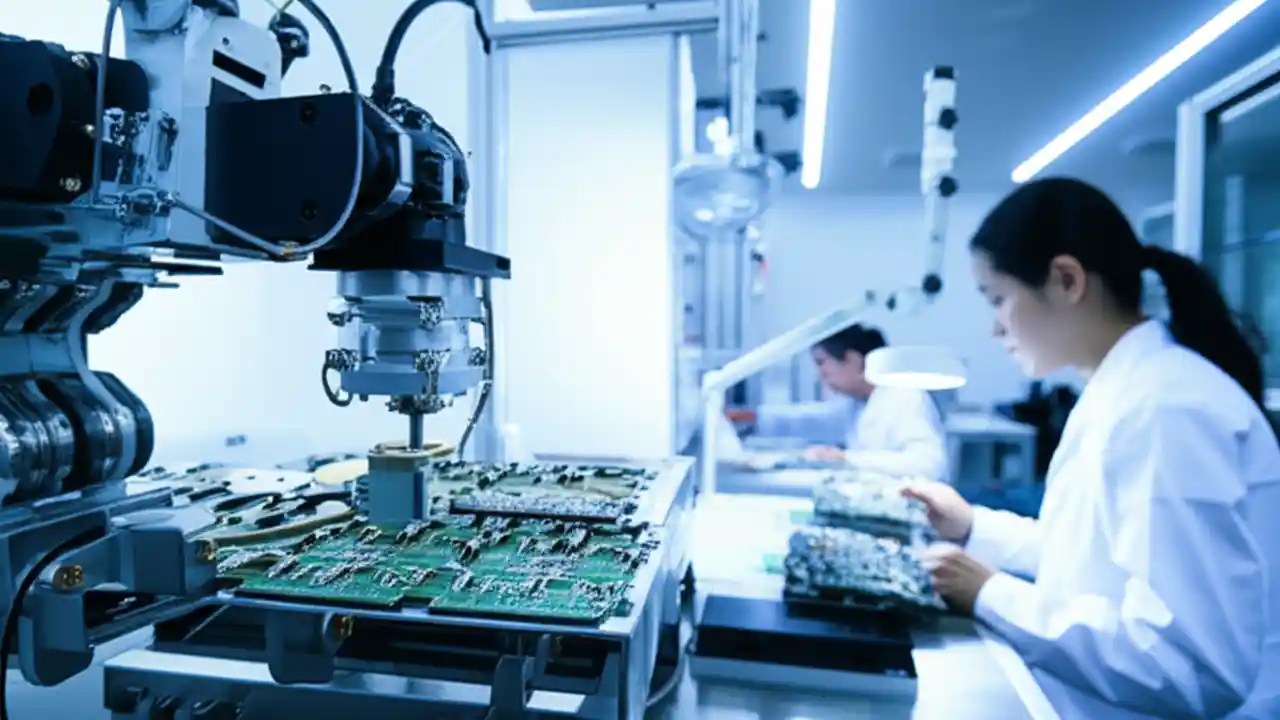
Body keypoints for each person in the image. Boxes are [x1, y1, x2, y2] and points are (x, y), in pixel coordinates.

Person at [904, 178, 1280, 719]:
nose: (994, 327)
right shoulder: (1129, 390)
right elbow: (1094, 559)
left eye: (999, 299)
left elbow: (1187, 665)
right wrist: (972, 527)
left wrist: (991, 593)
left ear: (1066, 279)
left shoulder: (1165, 410)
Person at [749, 323, 948, 481]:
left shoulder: (904, 396)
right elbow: (812, 419)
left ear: (853, 360)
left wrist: (846, 459)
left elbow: (927, 465)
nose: (821, 374)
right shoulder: (858, 403)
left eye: (822, 362)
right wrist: (751, 417)